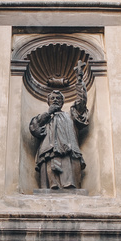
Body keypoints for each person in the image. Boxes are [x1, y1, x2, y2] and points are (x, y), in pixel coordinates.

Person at [29, 62, 89, 190]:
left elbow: (81, 104)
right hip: (50, 152)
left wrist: (79, 80)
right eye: (53, 98)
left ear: (62, 102)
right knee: (52, 180)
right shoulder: (44, 118)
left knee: (71, 181)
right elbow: (34, 128)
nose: (56, 100)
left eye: (58, 98)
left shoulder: (70, 116)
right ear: (48, 101)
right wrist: (48, 113)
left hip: (69, 151)